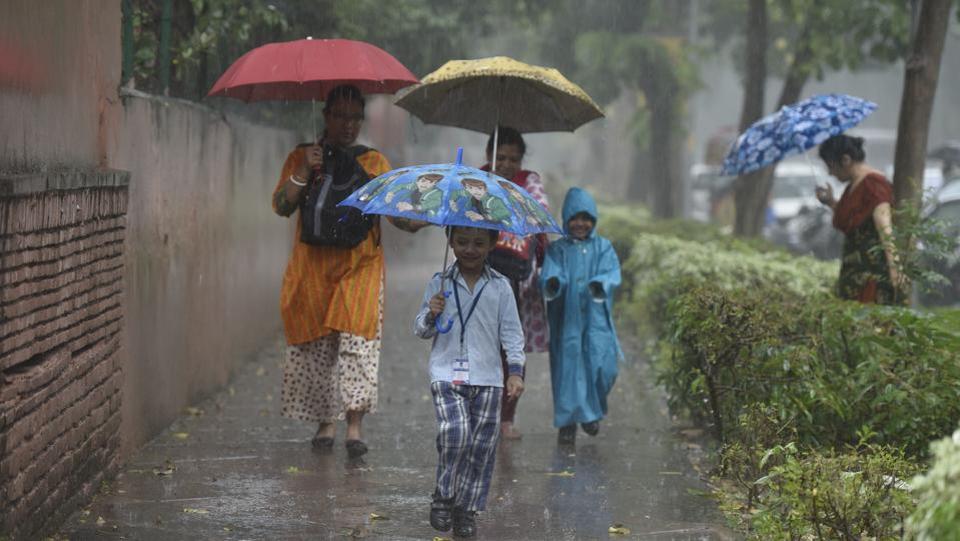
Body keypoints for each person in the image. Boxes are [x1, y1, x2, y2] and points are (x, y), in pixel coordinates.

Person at [271, 84, 426, 459]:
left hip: (361, 266)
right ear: (326, 116)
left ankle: (354, 427)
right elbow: (280, 206)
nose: (348, 125)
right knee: (319, 348)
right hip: (312, 268)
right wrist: (305, 170)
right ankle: (326, 422)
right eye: (341, 116)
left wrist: (421, 218)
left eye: (355, 117)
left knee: (359, 345)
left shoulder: (374, 163)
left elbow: (394, 215)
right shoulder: (302, 157)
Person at [415, 226, 525, 538]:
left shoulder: (501, 287)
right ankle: (444, 494)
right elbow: (420, 330)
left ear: (492, 244)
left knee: (482, 447)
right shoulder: (439, 283)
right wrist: (430, 314)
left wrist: (515, 372)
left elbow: (512, 335)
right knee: (456, 433)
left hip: (489, 378)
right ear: (450, 242)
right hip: (446, 372)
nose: (469, 249)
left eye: (478, 243)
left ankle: (466, 508)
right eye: (462, 242)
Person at [481, 126, 551, 440]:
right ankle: (482, 412)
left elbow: (541, 217)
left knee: (511, 349)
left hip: (516, 281)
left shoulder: (529, 184)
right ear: (488, 156)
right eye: (500, 157)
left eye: (513, 158)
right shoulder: (477, 180)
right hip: (478, 276)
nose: (506, 164)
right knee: (480, 346)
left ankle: (507, 417)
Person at [541, 187, 622, 445]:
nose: (580, 224)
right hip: (567, 320)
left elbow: (612, 273)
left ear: (594, 220)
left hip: (595, 319)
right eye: (575, 217)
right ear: (565, 218)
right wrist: (555, 282)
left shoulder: (603, 247)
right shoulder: (558, 250)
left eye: (586, 218)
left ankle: (591, 410)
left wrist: (600, 283)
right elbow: (549, 274)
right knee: (568, 369)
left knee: (602, 367)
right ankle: (568, 422)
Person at [814, 134, 902, 304]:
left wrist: (894, 267)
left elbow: (884, 225)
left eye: (831, 166)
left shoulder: (873, 184)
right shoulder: (853, 186)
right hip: (854, 271)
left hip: (871, 272)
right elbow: (856, 217)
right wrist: (831, 202)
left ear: (845, 160)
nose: (830, 173)